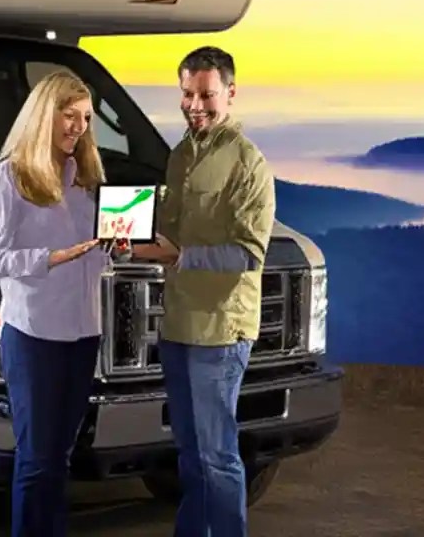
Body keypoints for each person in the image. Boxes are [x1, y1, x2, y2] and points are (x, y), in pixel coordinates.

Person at [133, 46, 276, 536]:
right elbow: (168, 232)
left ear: (230, 94)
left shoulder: (249, 164)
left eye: (207, 95)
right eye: (188, 93)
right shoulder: (180, 157)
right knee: (190, 457)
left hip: (220, 330)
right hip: (177, 325)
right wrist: (124, 238)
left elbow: (247, 255)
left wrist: (179, 257)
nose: (195, 104)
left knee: (218, 457)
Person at [0, 69, 111, 537]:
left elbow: (94, 251)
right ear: (43, 115)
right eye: (68, 115)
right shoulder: (6, 179)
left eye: (86, 118)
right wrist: (50, 258)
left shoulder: (87, 180)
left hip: (83, 333)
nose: (78, 126)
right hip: (34, 335)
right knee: (36, 459)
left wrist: (114, 247)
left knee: (61, 455)